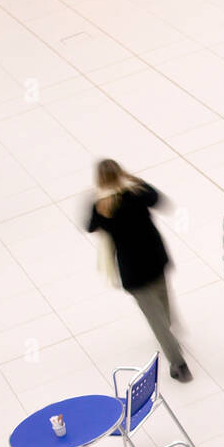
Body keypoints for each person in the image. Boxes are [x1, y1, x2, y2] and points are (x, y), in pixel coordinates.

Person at [87, 160, 191, 383]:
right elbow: (158, 199)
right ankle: (170, 337)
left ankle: (179, 364)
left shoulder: (101, 205)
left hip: (133, 269)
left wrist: (98, 197)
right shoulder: (136, 192)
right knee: (163, 303)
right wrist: (133, 178)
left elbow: (90, 226)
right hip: (155, 259)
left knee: (155, 317)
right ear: (120, 173)